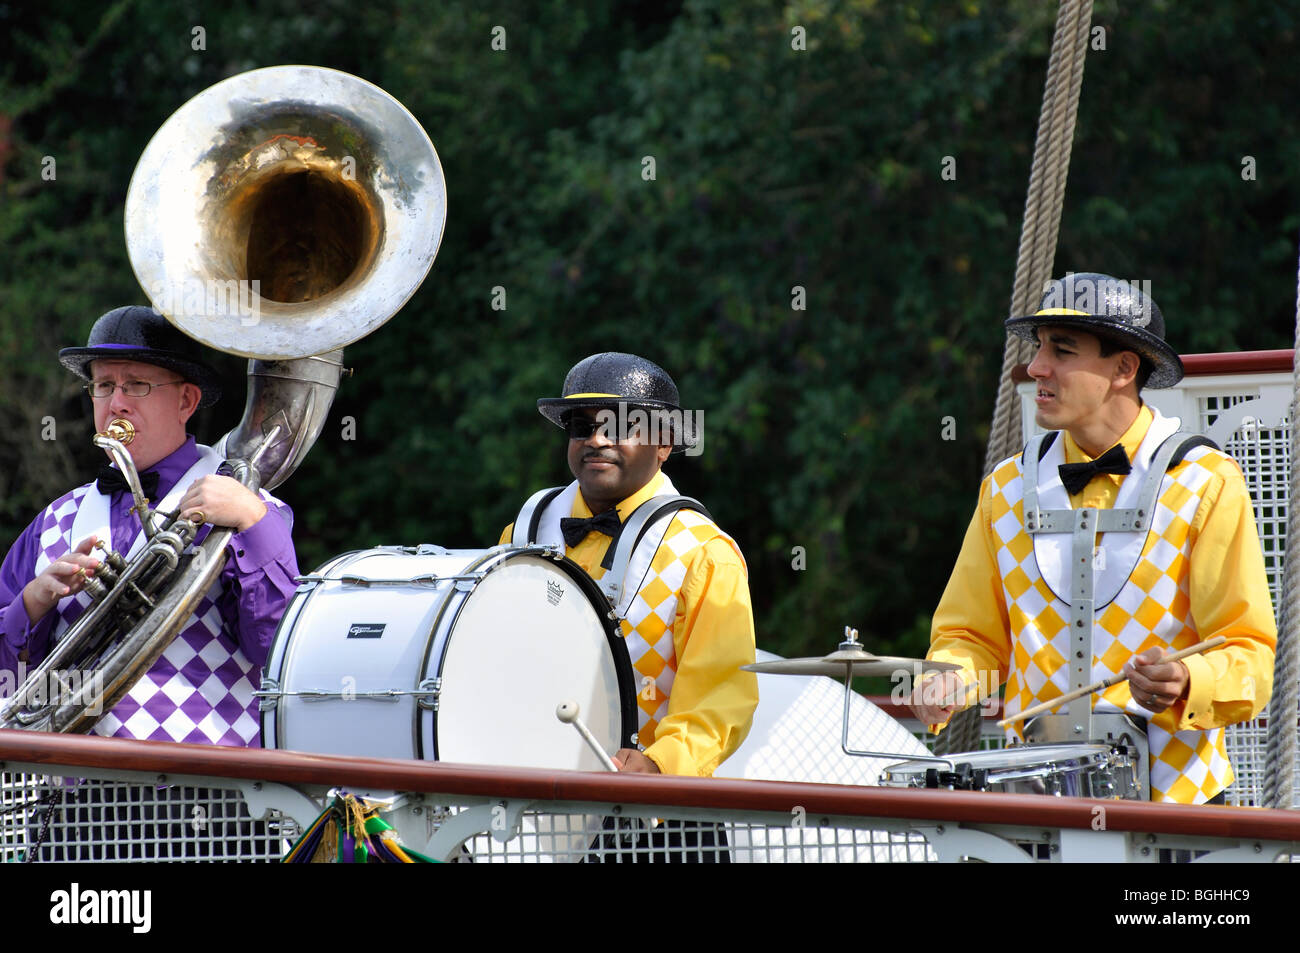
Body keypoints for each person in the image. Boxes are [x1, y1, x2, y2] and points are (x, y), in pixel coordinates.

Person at [909, 273, 1276, 804]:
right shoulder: (1005, 489)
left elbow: (1249, 654)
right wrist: (951, 678)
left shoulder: (1206, 482)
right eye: (1038, 349)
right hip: (1037, 805)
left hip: (1177, 809)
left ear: (1125, 368)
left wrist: (1189, 679)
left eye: (1061, 349)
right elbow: (974, 638)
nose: (1036, 367)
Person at [0, 305, 299, 747]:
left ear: (186, 401)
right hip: (72, 792)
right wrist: (32, 602)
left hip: (208, 783)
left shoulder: (250, 509)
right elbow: (9, 688)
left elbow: (279, 652)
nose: (116, 402)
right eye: (103, 386)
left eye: (136, 385)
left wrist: (254, 523)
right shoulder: (53, 520)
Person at [502, 352, 758, 780]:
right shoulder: (521, 533)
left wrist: (660, 765)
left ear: (664, 444)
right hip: (535, 796)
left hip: (661, 815)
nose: (597, 441)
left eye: (620, 427)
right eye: (582, 428)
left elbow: (722, 695)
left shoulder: (705, 552)